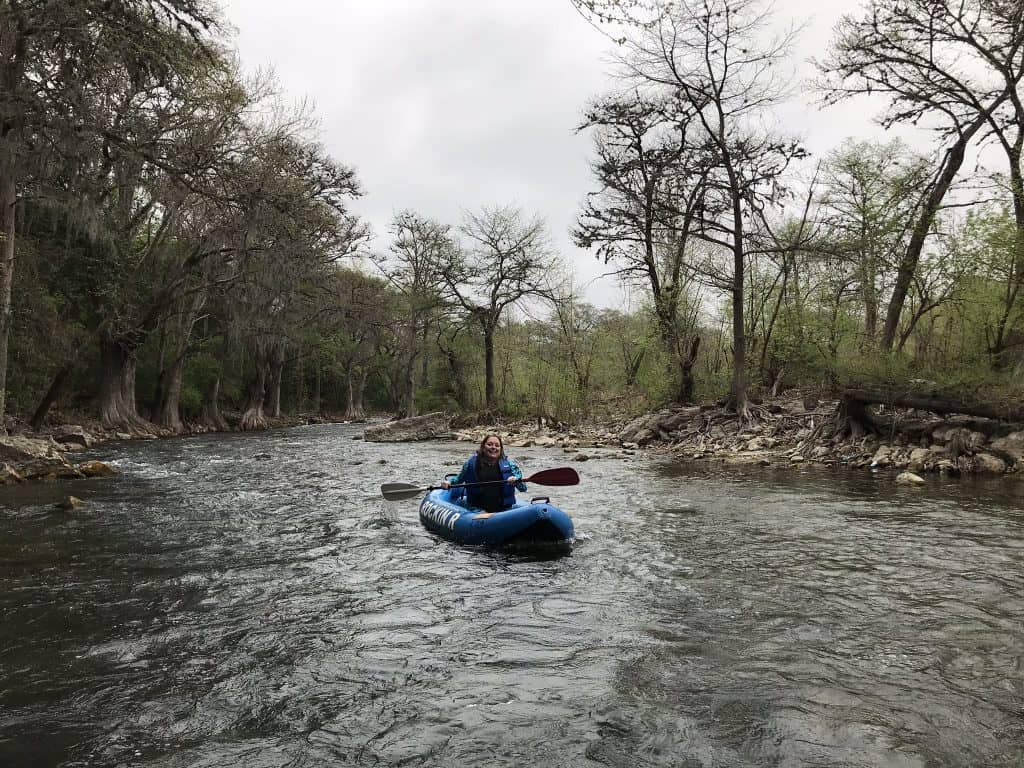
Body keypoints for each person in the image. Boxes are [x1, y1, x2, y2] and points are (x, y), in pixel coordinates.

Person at [441, 433, 527, 512]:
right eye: (489, 444)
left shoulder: (510, 465)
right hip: (477, 508)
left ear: (501, 449)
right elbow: (458, 480)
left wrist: (516, 481)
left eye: (497, 445)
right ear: (483, 447)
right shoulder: (470, 464)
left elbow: (523, 488)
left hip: (504, 509)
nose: (493, 447)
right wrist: (449, 482)